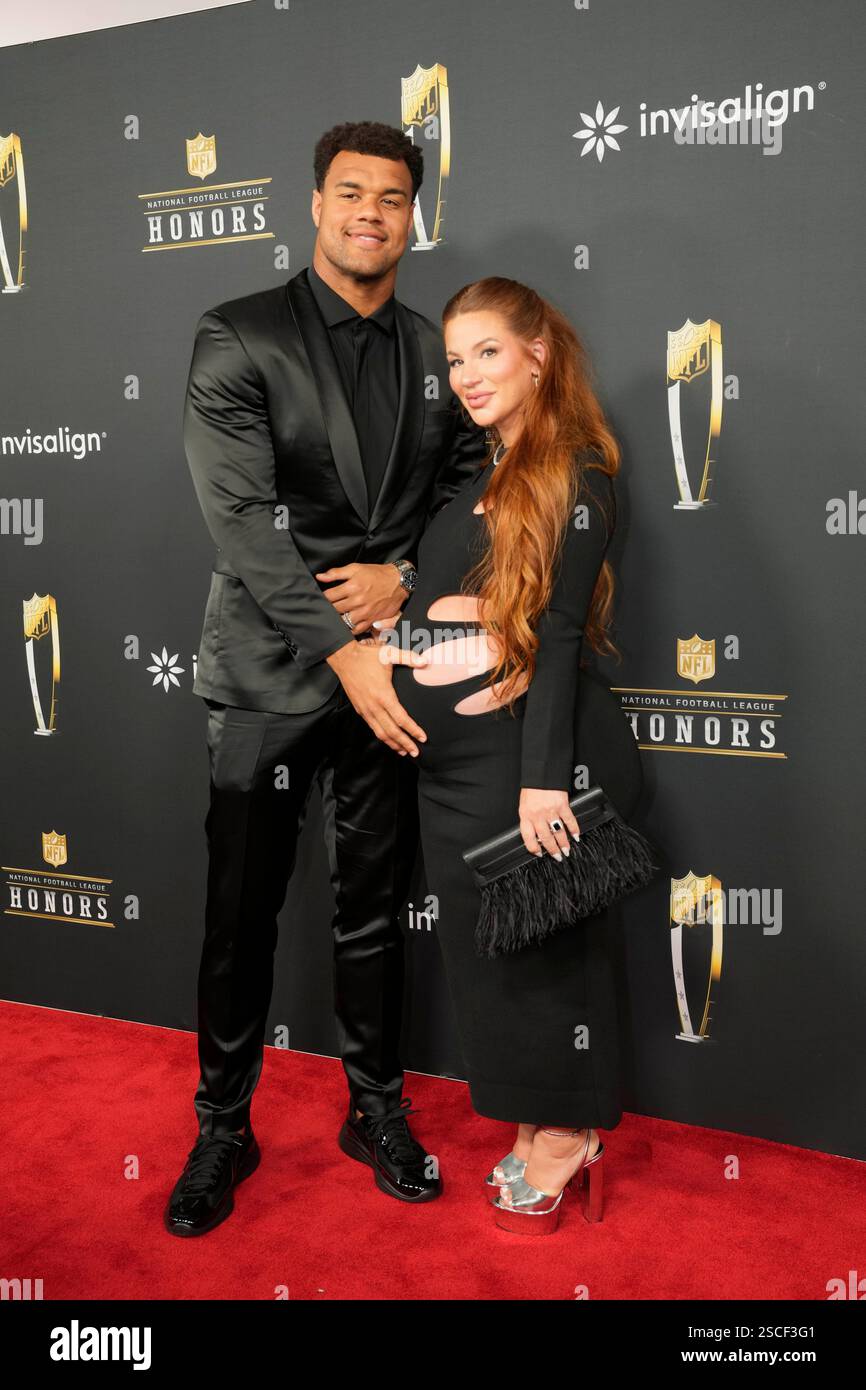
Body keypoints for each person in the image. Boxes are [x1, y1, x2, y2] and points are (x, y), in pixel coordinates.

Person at [164, 120, 487, 1237]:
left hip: (389, 671)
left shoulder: (435, 350)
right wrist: (341, 646)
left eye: (390, 197)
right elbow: (240, 519)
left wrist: (405, 578)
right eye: (350, 192)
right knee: (238, 917)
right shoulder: (237, 333)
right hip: (269, 673)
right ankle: (222, 1126)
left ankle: (375, 1109)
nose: (369, 214)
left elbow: (466, 488)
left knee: (373, 911)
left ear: (413, 215)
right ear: (313, 204)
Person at [384, 276, 630, 1234]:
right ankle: (535, 1122)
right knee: (493, 962)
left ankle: (568, 1135)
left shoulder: (578, 468)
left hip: (520, 764)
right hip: (452, 772)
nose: (468, 375)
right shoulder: (486, 471)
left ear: (537, 355)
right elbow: (455, 610)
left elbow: (558, 634)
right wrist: (404, 635)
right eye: (455, 359)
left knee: (544, 958)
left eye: (487, 351)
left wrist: (541, 783)